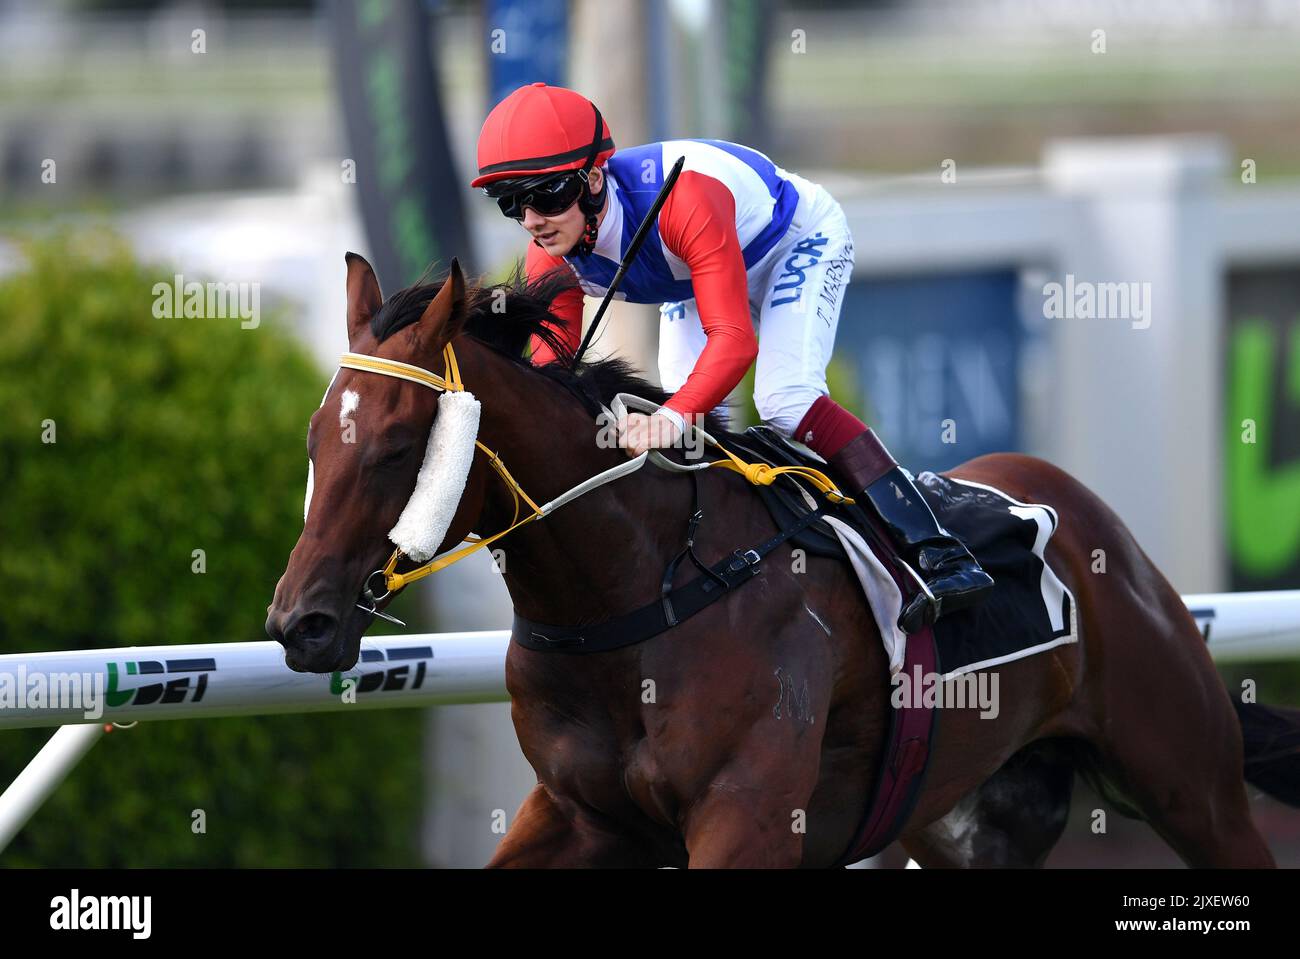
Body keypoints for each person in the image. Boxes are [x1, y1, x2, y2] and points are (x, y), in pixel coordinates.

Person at [470, 82, 992, 632]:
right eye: (511, 202)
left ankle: (937, 551)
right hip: (697, 274)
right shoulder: (549, 254)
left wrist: (669, 418)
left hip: (792, 242)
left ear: (594, 179)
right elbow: (552, 382)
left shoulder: (683, 198)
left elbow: (734, 342)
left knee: (783, 398)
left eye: (546, 196)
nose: (531, 219)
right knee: (695, 425)